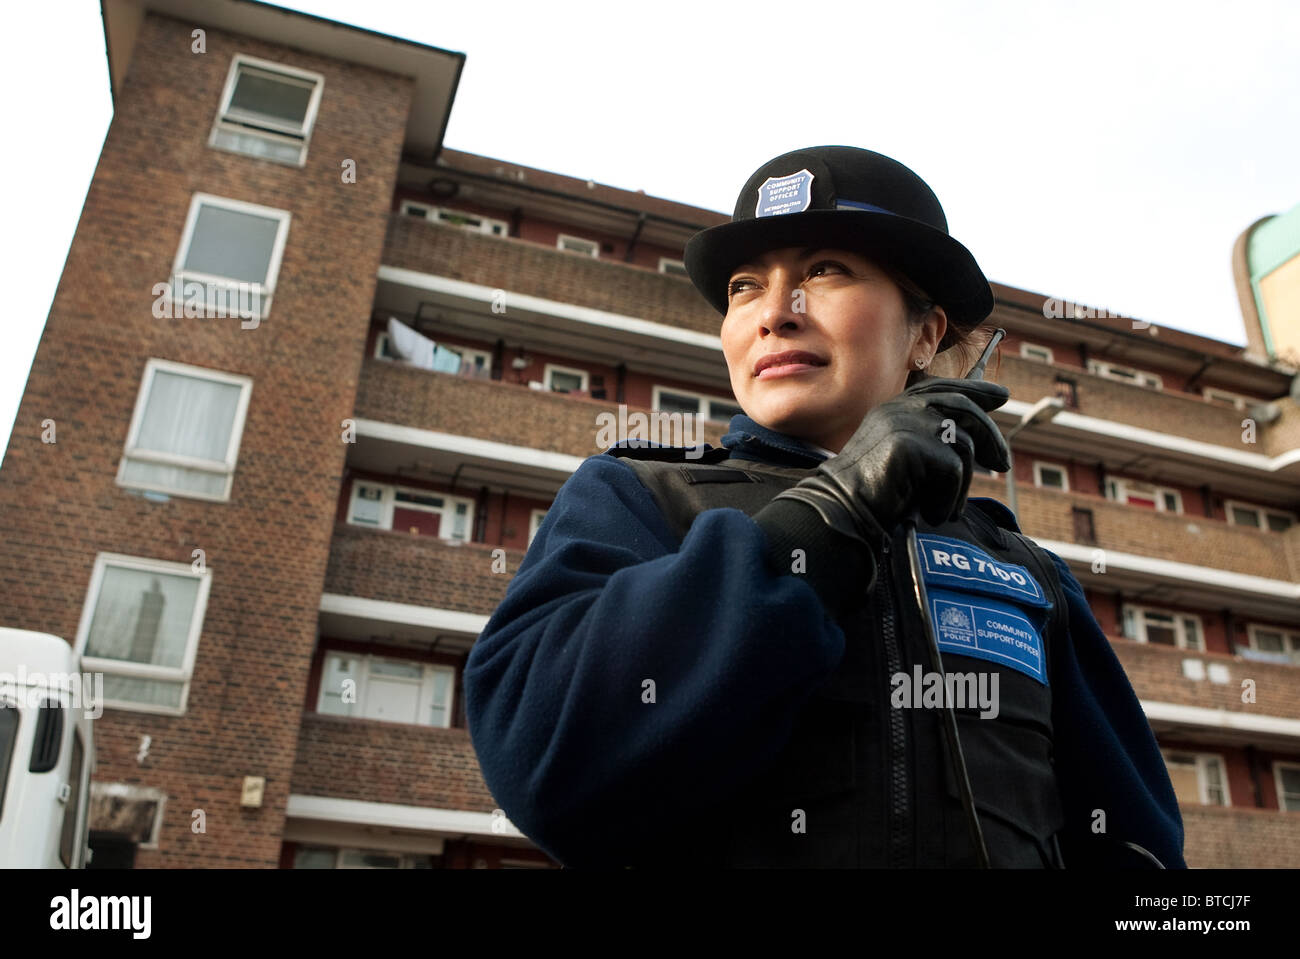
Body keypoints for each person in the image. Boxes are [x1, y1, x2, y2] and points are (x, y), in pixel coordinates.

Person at [463, 146, 1186, 868]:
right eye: (746, 287)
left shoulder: (1028, 572)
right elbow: (543, 761)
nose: (776, 313)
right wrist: (833, 511)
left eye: (824, 271)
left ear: (926, 334)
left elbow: (1136, 848)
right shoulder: (636, 498)